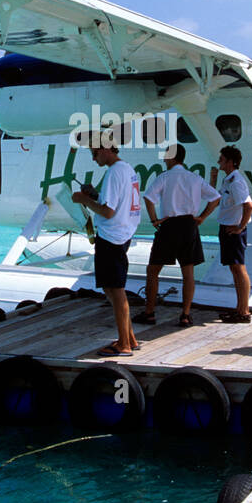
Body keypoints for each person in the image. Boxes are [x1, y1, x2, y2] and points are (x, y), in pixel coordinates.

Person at [134, 144, 221, 327]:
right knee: (187, 272)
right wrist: (202, 217)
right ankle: (185, 314)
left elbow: (149, 198)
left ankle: (149, 312)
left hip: (169, 224)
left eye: (166, 156)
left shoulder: (165, 177)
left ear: (172, 157)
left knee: (153, 270)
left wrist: (154, 220)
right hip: (189, 224)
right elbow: (215, 198)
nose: (164, 159)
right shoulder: (194, 178)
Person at [71, 134, 143, 356]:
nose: (94, 159)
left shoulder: (113, 173)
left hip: (112, 237)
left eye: (94, 153)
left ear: (105, 149)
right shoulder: (127, 169)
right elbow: (115, 202)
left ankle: (123, 344)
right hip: (123, 234)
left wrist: (84, 200)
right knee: (110, 288)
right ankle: (129, 337)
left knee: (115, 290)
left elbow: (108, 211)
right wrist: (94, 194)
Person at [215, 146, 252, 324]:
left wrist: (240, 227)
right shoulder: (228, 180)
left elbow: (249, 206)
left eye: (222, 159)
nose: (219, 162)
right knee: (234, 268)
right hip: (227, 228)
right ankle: (240, 308)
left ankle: (244, 311)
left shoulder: (236, 181)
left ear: (230, 162)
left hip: (233, 230)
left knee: (239, 268)